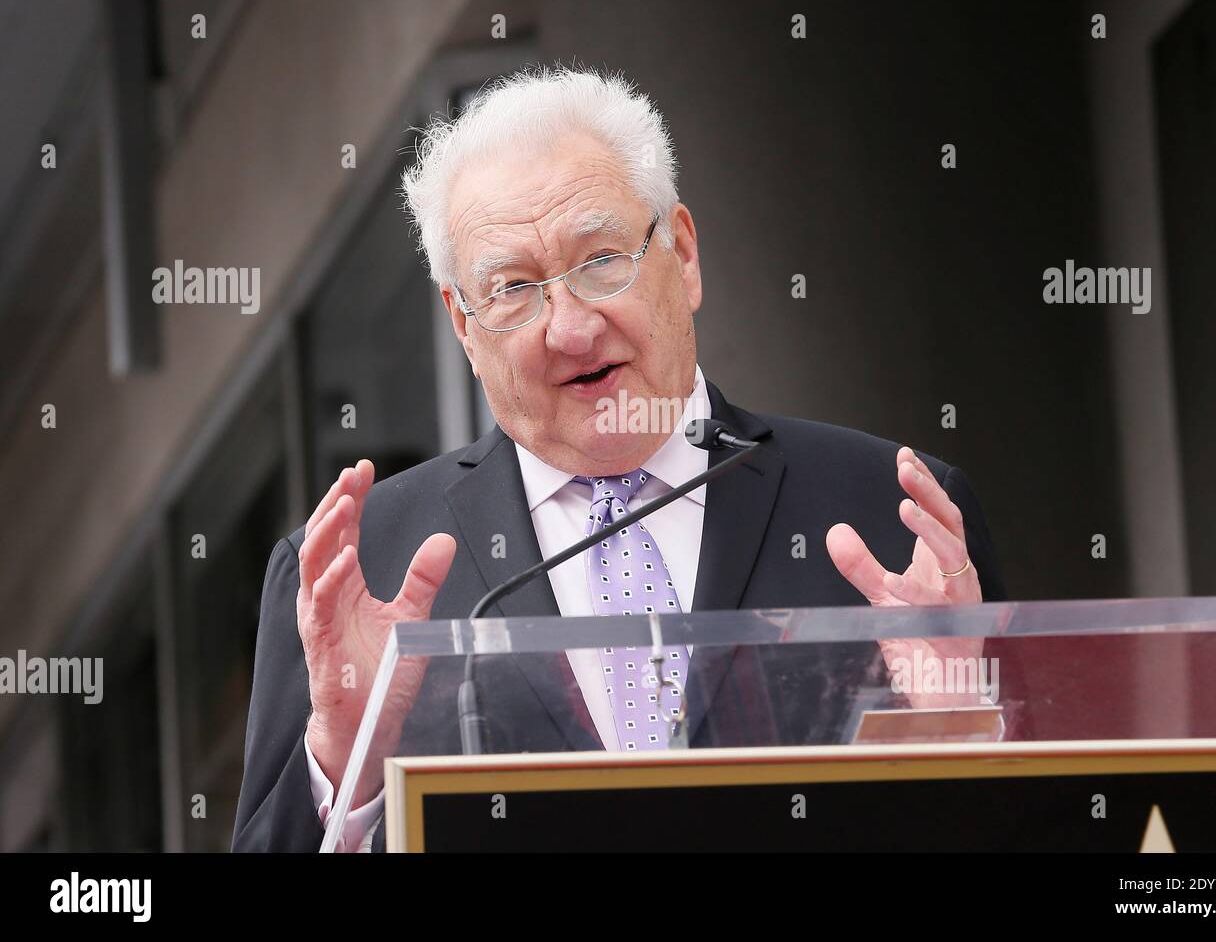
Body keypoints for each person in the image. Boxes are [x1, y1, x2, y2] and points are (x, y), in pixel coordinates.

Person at [232, 66, 1004, 852]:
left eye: (601, 260)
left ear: (685, 253)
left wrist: (958, 718)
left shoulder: (890, 513)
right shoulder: (356, 570)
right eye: (511, 289)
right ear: (462, 326)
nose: (569, 328)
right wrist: (347, 758)